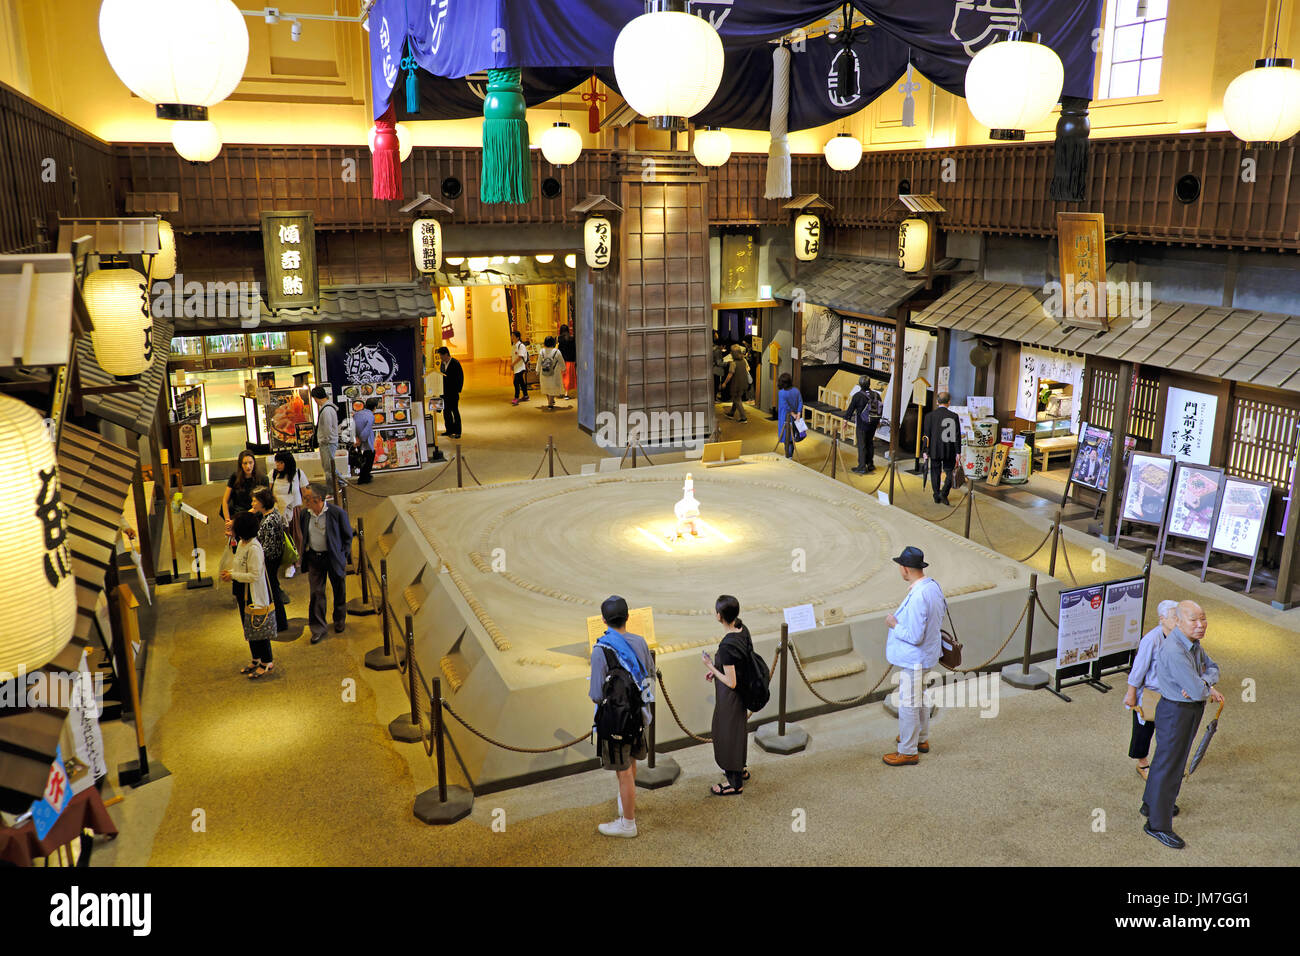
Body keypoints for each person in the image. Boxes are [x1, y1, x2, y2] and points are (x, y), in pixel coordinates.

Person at [1142, 601, 1222, 850]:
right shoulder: (1175, 650)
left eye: (1203, 619)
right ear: (1178, 621)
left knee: (1166, 761)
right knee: (1171, 766)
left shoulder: (1191, 643)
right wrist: (1203, 685)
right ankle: (1157, 824)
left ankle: (1150, 804)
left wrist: (1202, 682)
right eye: (1193, 620)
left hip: (1186, 710)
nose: (1200, 625)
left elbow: (1214, 669)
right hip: (1177, 712)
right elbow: (1199, 691)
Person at [589, 595, 654, 838]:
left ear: (604, 620)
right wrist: (644, 710)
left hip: (615, 719)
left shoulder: (600, 650)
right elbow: (649, 680)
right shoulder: (640, 642)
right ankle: (625, 801)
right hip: (638, 715)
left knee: (623, 771)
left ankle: (628, 823)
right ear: (628, 617)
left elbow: (596, 694)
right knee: (632, 761)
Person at [882, 546, 945, 766]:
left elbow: (915, 636)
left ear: (905, 569)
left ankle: (908, 750)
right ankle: (921, 739)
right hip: (926, 655)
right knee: (920, 698)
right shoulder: (932, 586)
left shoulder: (919, 595)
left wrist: (894, 624)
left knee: (908, 703)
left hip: (916, 657)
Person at [1123, 600, 1179, 780]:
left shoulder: (1180, 636)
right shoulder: (1151, 639)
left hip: (1172, 692)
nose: (1178, 620)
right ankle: (1142, 763)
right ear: (1162, 619)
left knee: (1170, 730)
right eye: (1174, 616)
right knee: (1144, 730)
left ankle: (1165, 764)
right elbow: (1138, 669)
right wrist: (1131, 694)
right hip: (1150, 693)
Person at [703, 595, 752, 796]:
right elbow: (737, 665)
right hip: (741, 693)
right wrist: (717, 668)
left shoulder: (726, 646)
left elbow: (731, 682)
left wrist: (710, 667)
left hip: (730, 697)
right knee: (737, 731)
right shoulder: (742, 628)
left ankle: (735, 782)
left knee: (726, 734)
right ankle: (739, 769)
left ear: (719, 616)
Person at [220, 511, 276, 679]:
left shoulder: (254, 547)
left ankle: (267, 661)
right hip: (241, 591)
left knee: (259, 626)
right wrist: (230, 573)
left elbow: (255, 575)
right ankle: (256, 658)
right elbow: (240, 567)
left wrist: (233, 575)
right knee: (249, 626)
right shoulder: (243, 543)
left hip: (253, 594)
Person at [298, 482, 353, 645]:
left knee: (339, 588)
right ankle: (318, 628)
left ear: (318, 499)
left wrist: (343, 555)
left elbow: (347, 537)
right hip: (315, 558)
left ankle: (339, 619)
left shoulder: (337, 513)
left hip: (333, 557)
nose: (305, 501)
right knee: (316, 593)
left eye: (307, 498)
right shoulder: (304, 514)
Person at [221, 450, 264, 610]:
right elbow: (225, 501)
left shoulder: (261, 479)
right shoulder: (235, 478)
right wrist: (228, 521)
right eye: (245, 463)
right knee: (237, 554)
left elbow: (259, 504)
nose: (248, 466)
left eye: (250, 463)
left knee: (251, 554)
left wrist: (235, 521)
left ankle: (252, 587)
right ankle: (238, 587)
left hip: (251, 521)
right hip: (236, 521)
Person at [249, 487, 288, 632]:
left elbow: (268, 548)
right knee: (274, 588)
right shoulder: (272, 514)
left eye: (255, 501)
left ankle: (280, 622)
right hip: (273, 558)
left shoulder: (269, 521)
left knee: (273, 590)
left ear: (262, 502)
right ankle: (280, 621)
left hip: (270, 561)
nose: (252, 503)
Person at [921, 391, 962, 505]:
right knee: (950, 472)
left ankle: (936, 495)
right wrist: (958, 451)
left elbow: (926, 435)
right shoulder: (954, 416)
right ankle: (944, 493)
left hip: (934, 449)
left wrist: (925, 450)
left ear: (937, 402)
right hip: (949, 449)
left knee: (935, 472)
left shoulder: (929, 416)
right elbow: (956, 436)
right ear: (949, 402)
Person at [271, 451, 307, 577]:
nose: (278, 465)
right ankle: (283, 561)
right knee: (281, 537)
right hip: (278, 511)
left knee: (295, 536)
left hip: (294, 509)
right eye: (277, 462)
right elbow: (269, 492)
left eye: (280, 462)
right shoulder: (273, 474)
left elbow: (305, 492)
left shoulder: (298, 474)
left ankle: (293, 563)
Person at [843, 376, 882, 474]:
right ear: (869, 384)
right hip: (873, 423)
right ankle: (870, 465)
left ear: (860, 384)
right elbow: (880, 409)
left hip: (862, 424)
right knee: (870, 443)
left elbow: (851, 409)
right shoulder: (876, 395)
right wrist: (878, 421)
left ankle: (861, 467)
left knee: (862, 445)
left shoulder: (857, 396)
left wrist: (845, 420)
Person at [311, 385, 339, 491]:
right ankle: (340, 484)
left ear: (316, 398)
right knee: (330, 467)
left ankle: (332, 490)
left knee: (328, 468)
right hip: (329, 441)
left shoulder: (326, 410)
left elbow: (327, 428)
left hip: (327, 443)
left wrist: (324, 441)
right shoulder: (329, 408)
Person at [436, 346, 463, 439]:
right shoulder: (442, 364)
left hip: (453, 392)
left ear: (446, 354)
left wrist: (458, 390)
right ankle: (449, 430)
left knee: (455, 411)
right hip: (444, 392)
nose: (440, 357)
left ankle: (458, 431)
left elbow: (460, 377)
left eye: (441, 355)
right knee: (446, 411)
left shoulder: (455, 363)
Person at [776, 372, 802, 458]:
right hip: (796, 418)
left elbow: (785, 406)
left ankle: (788, 455)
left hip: (785, 417)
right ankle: (790, 455)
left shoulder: (782, 393)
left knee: (786, 437)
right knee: (792, 436)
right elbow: (800, 402)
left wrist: (793, 414)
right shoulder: (796, 390)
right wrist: (798, 414)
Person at [720, 344, 748, 423]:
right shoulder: (743, 361)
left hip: (736, 384)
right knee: (737, 398)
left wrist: (724, 383)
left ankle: (743, 417)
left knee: (737, 400)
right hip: (743, 382)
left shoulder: (733, 363)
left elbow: (730, 374)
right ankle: (731, 413)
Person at [538, 335, 566, 410]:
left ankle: (550, 401)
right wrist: (564, 369)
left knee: (546, 387)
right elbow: (561, 361)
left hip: (544, 372)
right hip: (554, 372)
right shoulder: (557, 351)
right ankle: (550, 403)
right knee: (553, 387)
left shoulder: (542, 351)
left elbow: (539, 362)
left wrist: (537, 370)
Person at [354, 397, 377, 484]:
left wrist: (356, 437)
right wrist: (361, 439)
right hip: (365, 440)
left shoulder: (357, 413)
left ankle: (365, 475)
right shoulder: (371, 416)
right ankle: (364, 477)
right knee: (369, 457)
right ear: (375, 407)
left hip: (356, 438)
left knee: (361, 458)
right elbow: (367, 430)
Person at [510, 330, 529, 406]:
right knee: (521, 381)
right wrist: (512, 365)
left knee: (516, 382)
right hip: (516, 367)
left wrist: (512, 364)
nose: (512, 338)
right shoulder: (514, 345)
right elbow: (513, 357)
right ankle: (526, 395)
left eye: (513, 336)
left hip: (521, 367)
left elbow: (520, 357)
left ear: (517, 337)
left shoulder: (521, 346)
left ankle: (516, 397)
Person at [557, 324, 577, 399]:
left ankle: (561, 392)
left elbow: (559, 350)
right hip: (570, 360)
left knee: (562, 376)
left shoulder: (559, 339)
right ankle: (566, 393)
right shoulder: (572, 338)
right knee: (568, 377)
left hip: (562, 360)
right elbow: (574, 350)